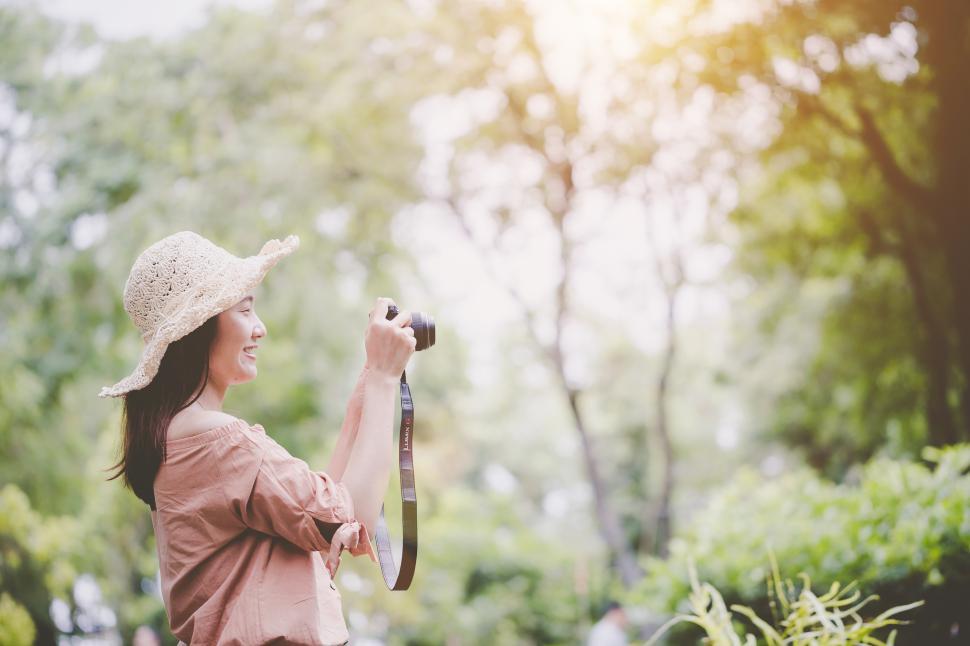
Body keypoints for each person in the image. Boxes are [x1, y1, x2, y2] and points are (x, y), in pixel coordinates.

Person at [100, 231, 416, 645]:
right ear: (199, 329)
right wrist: (384, 380)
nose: (260, 328)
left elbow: (316, 526)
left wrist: (362, 405)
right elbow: (353, 516)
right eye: (245, 311)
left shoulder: (178, 442)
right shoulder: (221, 441)